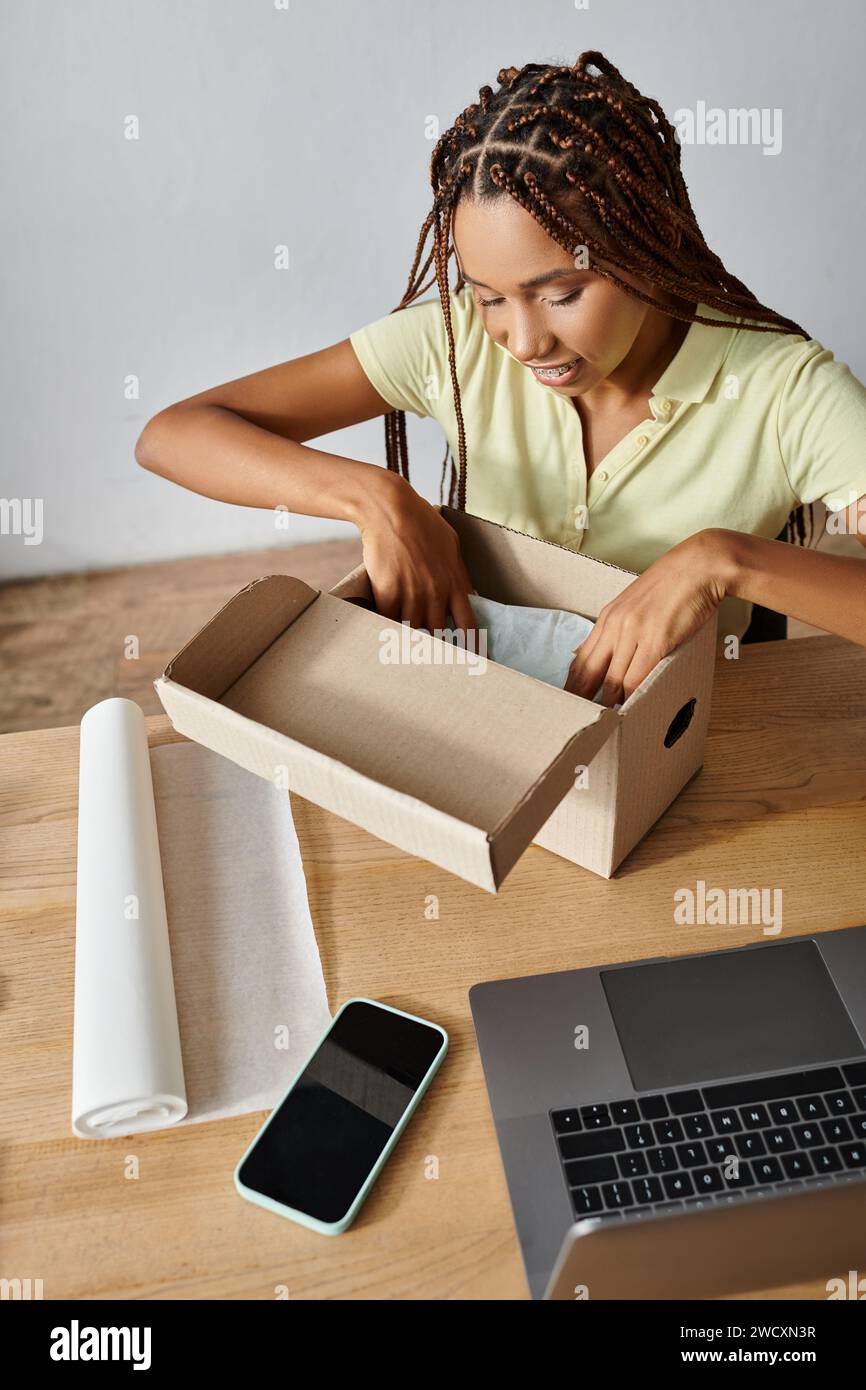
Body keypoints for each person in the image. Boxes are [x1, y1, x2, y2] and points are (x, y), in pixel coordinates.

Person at [135, 51, 866, 707]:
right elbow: (172, 435)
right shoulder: (453, 344)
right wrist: (374, 497)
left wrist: (724, 561)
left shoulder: (782, 390)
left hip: (692, 748)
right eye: (489, 296)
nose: (522, 340)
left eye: (562, 293)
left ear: (652, 241)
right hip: (488, 722)